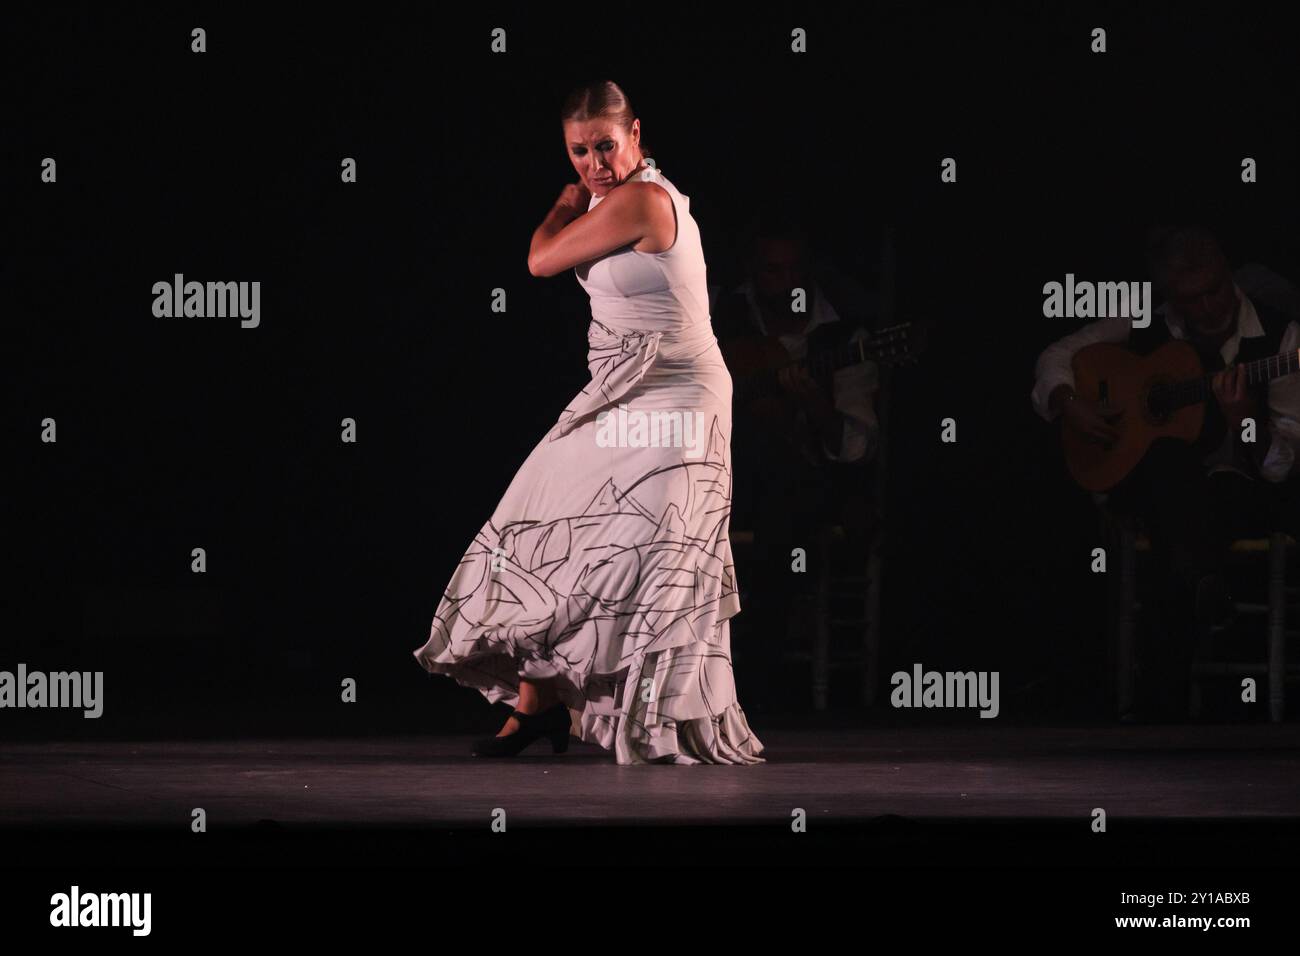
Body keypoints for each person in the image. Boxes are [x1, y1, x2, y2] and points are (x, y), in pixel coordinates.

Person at [412, 80, 766, 764]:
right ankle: (539, 703)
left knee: (650, 550)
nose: (593, 163)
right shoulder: (617, 196)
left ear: (636, 135)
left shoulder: (640, 199)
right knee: (543, 522)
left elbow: (540, 260)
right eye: (578, 153)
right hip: (621, 389)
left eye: (606, 145)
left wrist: (561, 202)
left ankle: (661, 718)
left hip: (677, 394)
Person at [1031, 225, 1300, 720]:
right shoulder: (1147, 323)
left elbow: (1280, 468)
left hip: (1240, 497)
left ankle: (1161, 698)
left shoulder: (1282, 338)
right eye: (1190, 300)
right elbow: (1056, 356)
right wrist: (1069, 402)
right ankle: (1204, 585)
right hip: (1161, 492)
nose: (1208, 308)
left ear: (1228, 274)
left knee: (1196, 511)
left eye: (1215, 290)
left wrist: (1244, 421)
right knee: (1168, 461)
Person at [712, 217, 882, 701]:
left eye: (793, 271)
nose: (783, 282)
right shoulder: (715, 310)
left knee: (784, 481)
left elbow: (856, 446)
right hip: (715, 476)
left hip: (792, 496)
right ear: (752, 270)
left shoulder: (844, 341)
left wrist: (815, 407)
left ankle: (755, 671)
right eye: (771, 271)